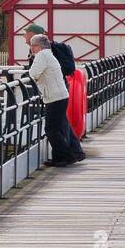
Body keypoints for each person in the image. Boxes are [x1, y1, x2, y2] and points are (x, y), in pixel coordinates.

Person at [25, 31, 84, 166]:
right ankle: (64, 156)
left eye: (32, 46)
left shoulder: (41, 56)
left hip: (54, 97)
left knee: (51, 129)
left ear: (37, 46)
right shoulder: (49, 55)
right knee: (56, 128)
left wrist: (34, 67)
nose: (31, 48)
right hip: (60, 96)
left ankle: (66, 156)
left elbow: (33, 73)